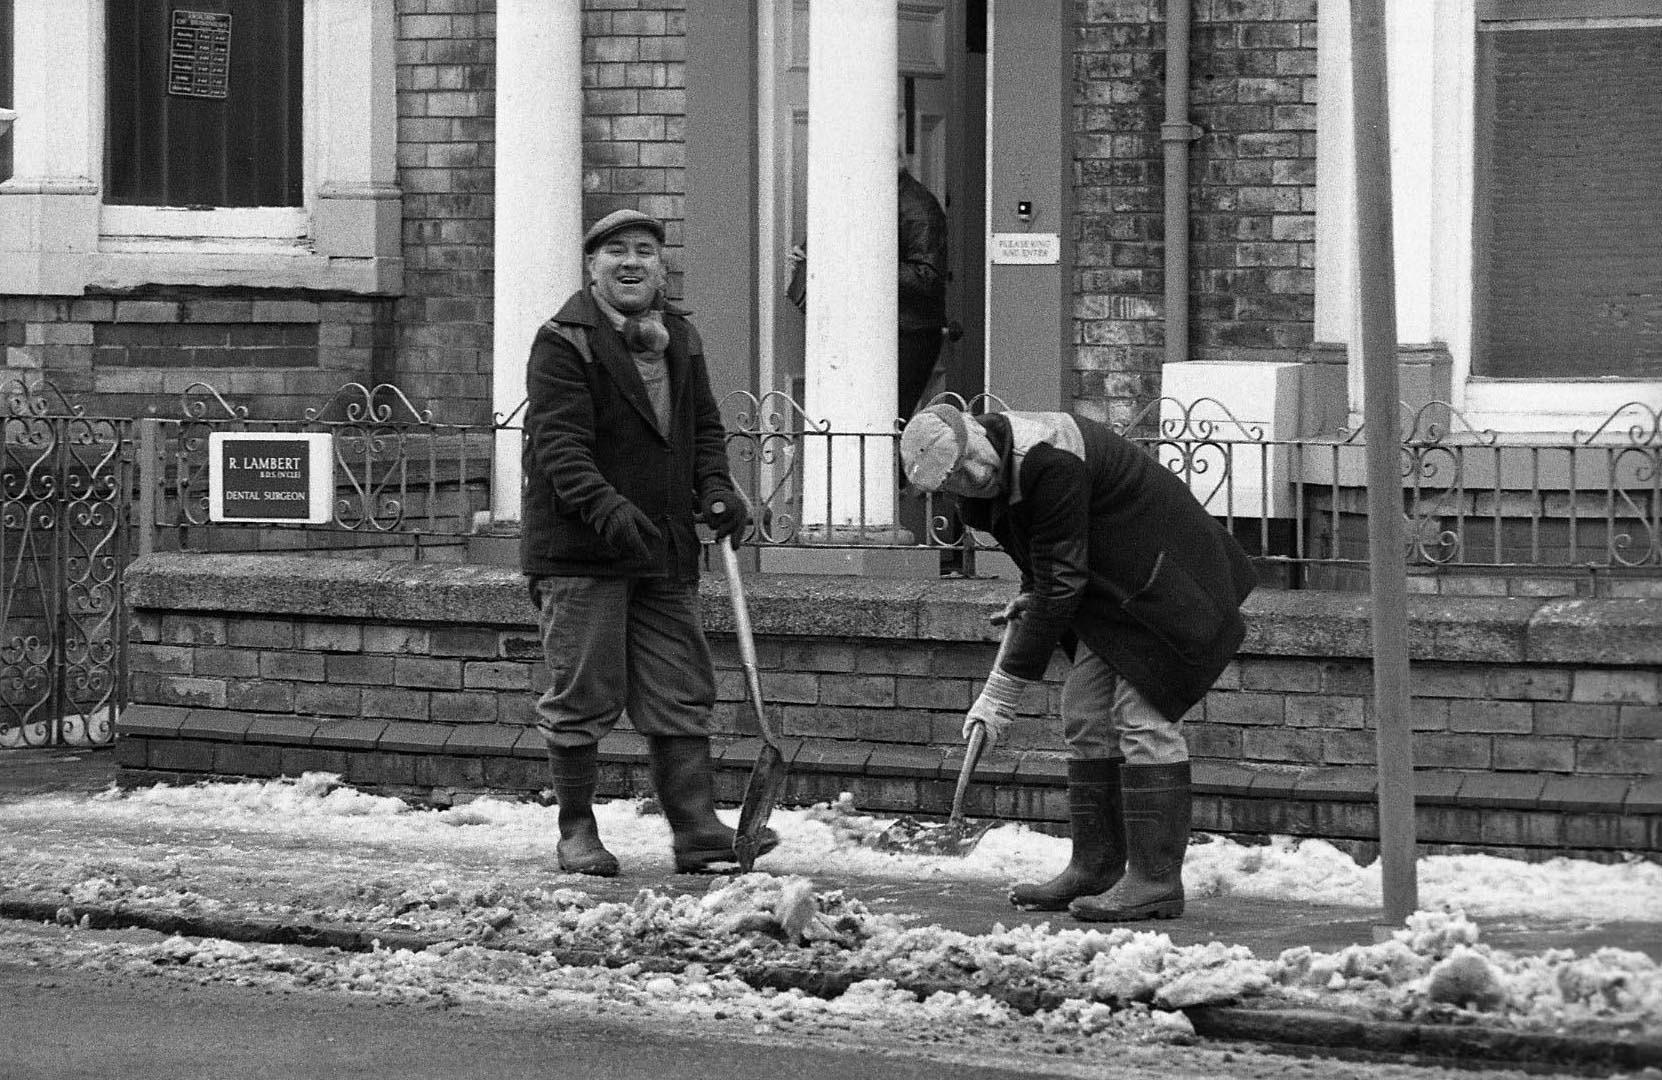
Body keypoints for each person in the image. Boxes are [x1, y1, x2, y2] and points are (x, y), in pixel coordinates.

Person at [898, 404, 1256, 921]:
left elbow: (1062, 582)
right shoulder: (982, 491)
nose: (973, 478)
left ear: (975, 431)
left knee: (1142, 718)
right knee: (1085, 714)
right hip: (1113, 594)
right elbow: (1044, 560)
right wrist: (1030, 594)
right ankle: (1095, 867)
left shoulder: (1049, 460)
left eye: (969, 462)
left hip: (1167, 581)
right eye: (956, 479)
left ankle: (1155, 881)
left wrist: (999, 695)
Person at [521, 208, 775, 877]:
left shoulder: (679, 336)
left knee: (679, 687)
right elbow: (559, 447)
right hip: (582, 554)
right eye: (616, 251)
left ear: (661, 268)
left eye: (644, 251)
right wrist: (608, 510)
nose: (631, 262)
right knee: (583, 694)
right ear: (592, 266)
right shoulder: (564, 342)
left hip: (662, 550)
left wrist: (716, 486)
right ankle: (577, 830)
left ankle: (695, 829)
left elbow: (705, 427)